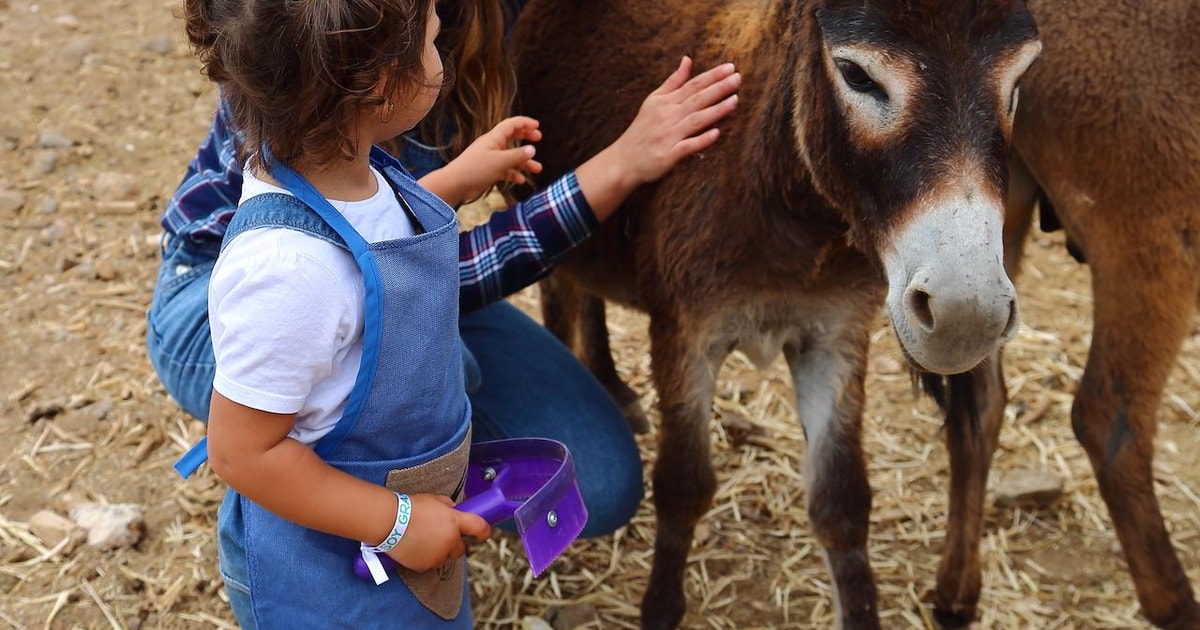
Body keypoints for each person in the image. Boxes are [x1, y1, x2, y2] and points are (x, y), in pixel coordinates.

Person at [165, 0, 740, 625]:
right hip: (327, 584)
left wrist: (460, 178)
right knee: (448, 366)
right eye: (434, 43)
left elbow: (373, 236)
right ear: (383, 84)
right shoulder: (287, 274)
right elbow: (241, 453)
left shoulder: (346, 166)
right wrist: (396, 522)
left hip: (391, 546)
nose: (444, 56)